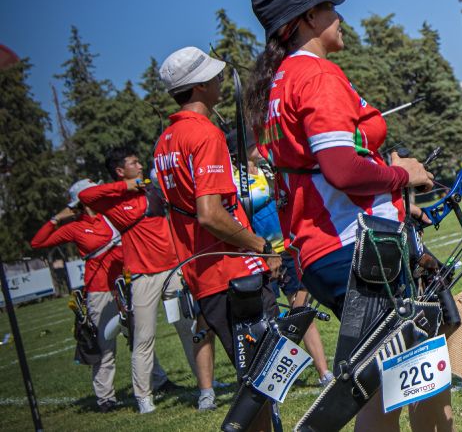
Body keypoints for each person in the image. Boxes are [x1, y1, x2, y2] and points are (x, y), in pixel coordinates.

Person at [246, 0, 447, 431]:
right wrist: (403, 176)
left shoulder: (280, 82)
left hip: (332, 248)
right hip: (357, 248)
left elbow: (326, 165)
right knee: (410, 377)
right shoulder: (315, 74)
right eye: (329, 7)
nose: (339, 16)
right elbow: (339, 169)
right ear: (307, 18)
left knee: (385, 382)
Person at [153, 46, 281, 430]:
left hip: (207, 276)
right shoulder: (203, 134)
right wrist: (261, 246)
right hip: (232, 274)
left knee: (255, 380)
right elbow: (209, 213)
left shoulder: (164, 141)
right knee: (264, 379)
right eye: (215, 76)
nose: (222, 80)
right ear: (200, 86)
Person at [79, 148, 198, 413]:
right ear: (121, 171)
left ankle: (205, 383)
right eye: (134, 163)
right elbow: (84, 195)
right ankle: (144, 398)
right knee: (144, 338)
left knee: (188, 329)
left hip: (172, 273)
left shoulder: (151, 190)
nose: (140, 166)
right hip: (144, 278)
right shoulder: (115, 202)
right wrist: (125, 185)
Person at [237, 141, 333, 385]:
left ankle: (324, 372)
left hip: (288, 249)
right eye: (253, 144)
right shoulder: (237, 181)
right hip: (262, 256)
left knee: (301, 312)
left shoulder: (270, 169)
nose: (260, 146)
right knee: (268, 319)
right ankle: (272, 376)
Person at [30, 179, 125, 412]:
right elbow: (38, 242)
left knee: (141, 336)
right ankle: (105, 398)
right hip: (100, 291)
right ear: (84, 200)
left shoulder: (111, 216)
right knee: (105, 346)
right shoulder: (75, 226)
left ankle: (158, 379)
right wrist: (57, 218)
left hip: (124, 285)